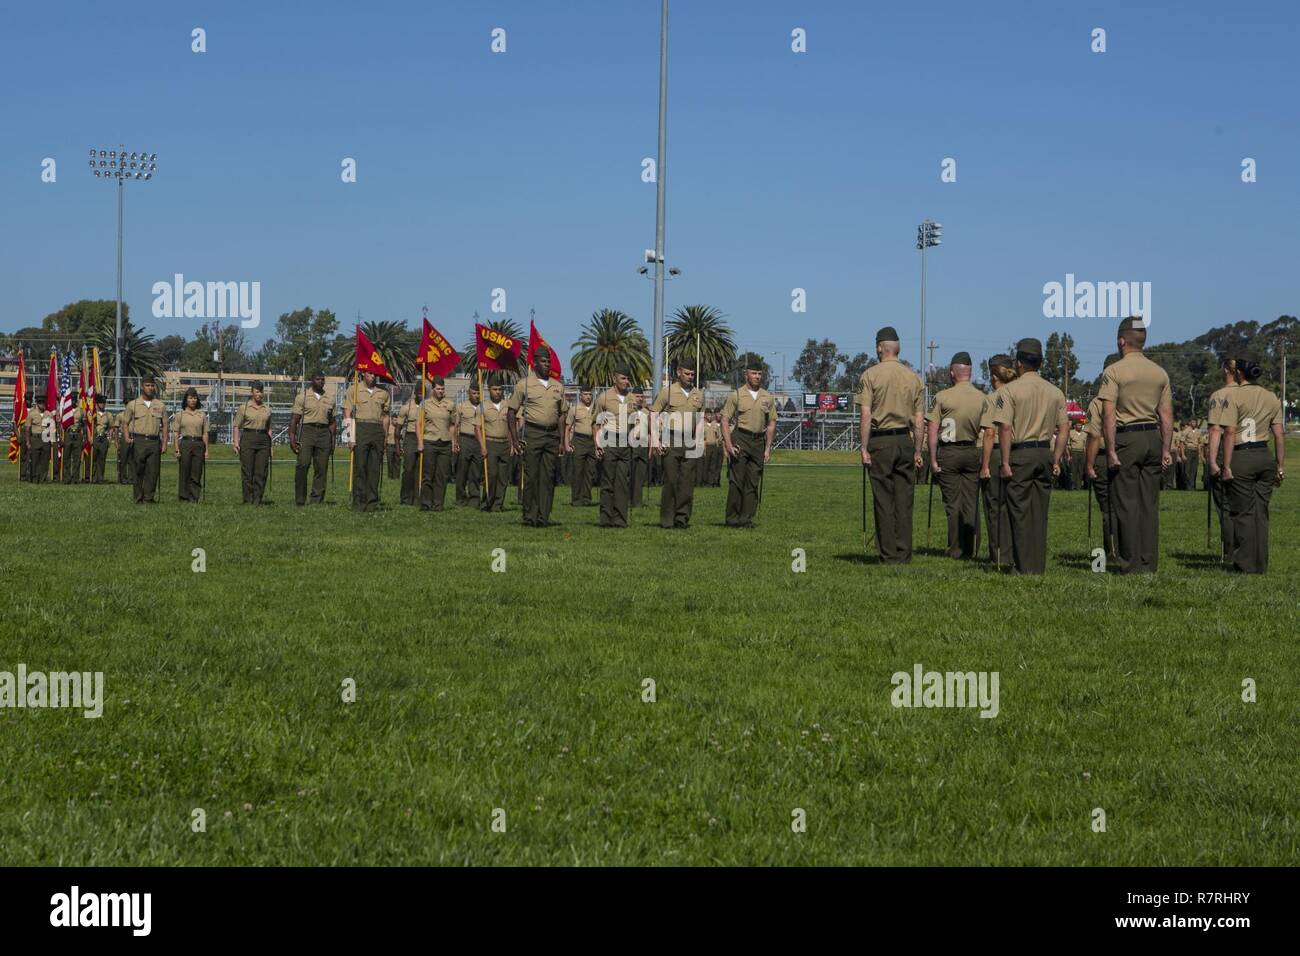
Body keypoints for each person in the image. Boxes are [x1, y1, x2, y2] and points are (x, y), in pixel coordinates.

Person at [1098, 317, 1174, 575]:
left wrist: (1110, 450)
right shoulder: (1159, 372)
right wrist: (1166, 449)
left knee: (1126, 503)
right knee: (1148, 505)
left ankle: (1130, 564)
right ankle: (1148, 563)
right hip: (1152, 437)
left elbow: (1108, 414)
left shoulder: (1114, 372)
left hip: (1127, 438)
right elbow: (1166, 415)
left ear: (1121, 340)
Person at [992, 337, 1069, 575]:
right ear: (1041, 362)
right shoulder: (1055, 392)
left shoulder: (1010, 391)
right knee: (1039, 512)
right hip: (1044, 452)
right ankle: (1037, 565)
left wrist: (1004, 462)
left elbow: (1004, 428)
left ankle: (1021, 566)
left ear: (1018, 363)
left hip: (1021, 453)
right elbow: (1064, 428)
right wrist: (1055, 459)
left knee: (1018, 511)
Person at [858, 327, 924, 563]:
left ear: (879, 347)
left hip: (881, 441)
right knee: (904, 499)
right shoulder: (914, 377)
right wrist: (917, 450)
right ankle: (904, 552)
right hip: (905, 441)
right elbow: (918, 419)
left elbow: (866, 415)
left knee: (884, 499)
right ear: (898, 348)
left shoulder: (870, 376)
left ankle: (888, 554)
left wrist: (864, 448)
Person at [1220, 359, 1284, 573]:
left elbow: (1229, 432)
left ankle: (1246, 564)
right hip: (1264, 454)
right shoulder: (1271, 397)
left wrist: (1226, 465)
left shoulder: (1234, 395)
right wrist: (1280, 465)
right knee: (1261, 512)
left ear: (1239, 373)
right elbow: (1279, 434)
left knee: (1244, 512)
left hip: (1242, 454)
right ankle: (1261, 562)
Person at [925, 352, 984, 558]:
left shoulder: (942, 397)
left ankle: (955, 548)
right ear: (970, 372)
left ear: (952, 373)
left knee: (953, 504)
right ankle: (971, 547)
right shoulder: (982, 398)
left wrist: (932, 459)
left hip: (948, 452)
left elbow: (932, 430)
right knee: (971, 502)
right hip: (971, 450)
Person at [508, 350, 569, 527]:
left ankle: (544, 515)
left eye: (548, 361)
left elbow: (562, 415)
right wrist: (514, 439)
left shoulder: (558, 386)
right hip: (533, 434)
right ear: (535, 363)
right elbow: (511, 412)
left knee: (548, 477)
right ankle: (530, 515)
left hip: (552, 436)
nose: (547, 364)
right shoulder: (524, 385)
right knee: (532, 476)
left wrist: (561, 440)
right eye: (543, 361)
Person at [721, 360, 778, 528]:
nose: (757, 377)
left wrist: (767, 448)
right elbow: (724, 420)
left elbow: (772, 423)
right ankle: (732, 518)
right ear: (746, 374)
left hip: (758, 441)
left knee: (753, 481)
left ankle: (746, 519)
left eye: (760, 374)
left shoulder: (767, 397)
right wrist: (728, 444)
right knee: (737, 480)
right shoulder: (736, 395)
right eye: (753, 373)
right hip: (741, 437)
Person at [651, 360, 705, 529]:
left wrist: (699, 440)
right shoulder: (667, 392)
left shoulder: (698, 394)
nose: (690, 377)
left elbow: (700, 419)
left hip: (690, 440)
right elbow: (653, 415)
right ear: (679, 372)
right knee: (671, 481)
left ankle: (682, 518)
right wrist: (655, 441)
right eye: (687, 373)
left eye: (692, 374)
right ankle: (667, 520)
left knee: (687, 483)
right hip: (671, 440)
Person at [979, 355, 1018, 567]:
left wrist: (985, 465)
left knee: (994, 506)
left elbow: (989, 433)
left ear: (993, 376)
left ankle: (999, 555)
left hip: (996, 454)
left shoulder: (994, 398)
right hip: (1018, 452)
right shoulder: (1020, 393)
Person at [1084, 354, 1121, 560]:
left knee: (1108, 509)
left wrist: (1089, 466)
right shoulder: (1131, 398)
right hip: (1127, 454)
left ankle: (1113, 549)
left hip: (1103, 457)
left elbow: (1095, 435)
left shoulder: (1098, 403)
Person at [1205, 360, 1241, 559]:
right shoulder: (1251, 393)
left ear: (1227, 370)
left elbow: (1215, 429)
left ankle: (1229, 550)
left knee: (1225, 505)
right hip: (1245, 451)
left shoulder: (1218, 396)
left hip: (1222, 452)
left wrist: (1211, 462)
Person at [593, 366, 635, 528]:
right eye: (623, 378)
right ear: (614, 378)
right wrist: (597, 444)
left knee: (623, 482)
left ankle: (620, 519)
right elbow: (595, 423)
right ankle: (606, 519)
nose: (626, 381)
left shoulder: (632, 398)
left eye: (627, 378)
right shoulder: (604, 398)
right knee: (608, 482)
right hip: (609, 440)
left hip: (625, 442)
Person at [344, 371, 391, 513]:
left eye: (375, 373)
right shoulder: (354, 389)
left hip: (377, 429)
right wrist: (350, 436)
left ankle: (372, 502)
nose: (373, 376)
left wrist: (385, 436)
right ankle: (359, 501)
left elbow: (385, 416)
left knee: (374, 468)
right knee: (360, 467)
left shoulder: (383, 392)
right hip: (361, 428)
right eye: (370, 373)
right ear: (364, 373)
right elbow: (347, 413)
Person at [290, 372, 335, 506]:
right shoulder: (302, 397)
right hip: (307, 431)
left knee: (321, 467)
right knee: (303, 464)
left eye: (323, 379)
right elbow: (294, 420)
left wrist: (333, 440)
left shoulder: (330, 398)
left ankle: (317, 499)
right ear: (312, 381)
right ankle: (300, 499)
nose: (320, 381)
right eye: (317, 379)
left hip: (324, 432)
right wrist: (292, 438)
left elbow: (332, 421)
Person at [122, 376, 169, 504]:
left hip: (154, 441)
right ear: (142, 386)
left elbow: (165, 426)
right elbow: (125, 423)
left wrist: (164, 443)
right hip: (139, 441)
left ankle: (149, 498)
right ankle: (138, 497)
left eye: (152, 385)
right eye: (148, 385)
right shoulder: (133, 404)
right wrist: (127, 438)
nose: (150, 388)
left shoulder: (160, 405)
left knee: (152, 472)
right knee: (138, 471)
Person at [419, 376, 457, 512]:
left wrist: (453, 442)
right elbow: (419, 424)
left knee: (442, 475)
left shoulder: (450, 404)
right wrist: (420, 442)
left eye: (442, 389)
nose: (441, 391)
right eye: (438, 389)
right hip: (430, 441)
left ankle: (438, 504)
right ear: (433, 389)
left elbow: (452, 425)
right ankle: (426, 502)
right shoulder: (425, 404)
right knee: (428, 474)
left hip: (445, 443)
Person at [232, 381, 273, 505]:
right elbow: (236, 426)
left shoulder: (267, 409)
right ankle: (247, 499)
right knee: (247, 471)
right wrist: (235, 442)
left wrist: (271, 446)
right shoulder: (243, 407)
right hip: (248, 438)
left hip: (263, 439)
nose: (260, 394)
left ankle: (257, 500)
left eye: (261, 392)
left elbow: (269, 428)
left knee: (261, 472)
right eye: (257, 391)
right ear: (252, 392)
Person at [171, 387, 209, 502]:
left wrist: (206, 450)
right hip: (186, 443)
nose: (193, 400)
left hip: (198, 444)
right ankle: (184, 496)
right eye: (190, 398)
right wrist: (177, 449)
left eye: (195, 398)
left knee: (196, 472)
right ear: (186, 400)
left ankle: (194, 496)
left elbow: (205, 433)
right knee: (185, 471)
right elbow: (176, 433)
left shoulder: (202, 415)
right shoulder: (180, 415)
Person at [480, 377, 512, 512]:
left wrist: (512, 444)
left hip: (505, 443)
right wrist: (482, 446)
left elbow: (512, 425)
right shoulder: (483, 406)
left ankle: (498, 504)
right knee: (491, 475)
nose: (497, 392)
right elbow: (478, 428)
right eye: (494, 389)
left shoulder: (508, 405)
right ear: (489, 390)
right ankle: (487, 502)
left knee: (503, 477)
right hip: (490, 443)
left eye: (500, 389)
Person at [454, 384, 484, 508]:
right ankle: (461, 497)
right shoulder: (461, 406)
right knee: (462, 470)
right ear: (468, 393)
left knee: (476, 472)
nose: (476, 395)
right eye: (474, 393)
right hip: (465, 439)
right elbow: (456, 426)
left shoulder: (483, 407)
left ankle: (474, 498)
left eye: (478, 393)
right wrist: (455, 441)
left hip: (478, 441)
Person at [568, 385, 597, 506]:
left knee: (589, 472)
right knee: (578, 471)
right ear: (580, 396)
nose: (588, 397)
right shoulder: (574, 409)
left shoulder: (596, 409)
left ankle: (586, 498)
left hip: (592, 441)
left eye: (590, 394)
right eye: (585, 394)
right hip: (579, 440)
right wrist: (567, 443)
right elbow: (567, 427)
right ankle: (576, 499)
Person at [393, 387, 423, 506]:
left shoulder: (427, 407)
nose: (421, 395)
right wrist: (397, 446)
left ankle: (417, 498)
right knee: (408, 469)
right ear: (415, 393)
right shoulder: (407, 407)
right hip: (410, 438)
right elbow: (398, 428)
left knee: (419, 470)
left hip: (423, 437)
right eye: (419, 393)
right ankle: (405, 497)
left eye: (423, 393)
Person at [629, 389, 651, 506]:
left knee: (640, 474)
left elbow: (650, 432)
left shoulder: (646, 413)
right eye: (637, 396)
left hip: (643, 444)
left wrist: (650, 448)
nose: (640, 398)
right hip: (631, 443)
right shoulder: (628, 410)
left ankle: (637, 501)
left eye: (641, 396)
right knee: (630, 473)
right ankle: (628, 499)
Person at [27, 396, 56, 483]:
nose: (42, 405)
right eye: (40, 403)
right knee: (35, 459)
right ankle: (35, 477)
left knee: (45, 460)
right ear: (37, 403)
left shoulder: (49, 414)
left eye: (43, 403)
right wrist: (28, 441)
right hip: (35, 438)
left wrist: (52, 440)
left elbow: (52, 428)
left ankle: (43, 478)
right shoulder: (31, 414)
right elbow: (27, 429)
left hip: (45, 438)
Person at [60, 401, 86, 484]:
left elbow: (84, 425)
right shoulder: (66, 410)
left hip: (77, 435)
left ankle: (75, 478)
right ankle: (66, 478)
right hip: (68, 434)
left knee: (77, 459)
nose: (74, 400)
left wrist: (84, 438)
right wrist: (61, 437)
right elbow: (60, 424)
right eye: (73, 398)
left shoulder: (81, 411)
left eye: (75, 398)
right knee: (66, 458)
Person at [90, 395, 112, 484]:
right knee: (94, 459)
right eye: (100, 403)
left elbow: (111, 427)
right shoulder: (93, 414)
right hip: (95, 437)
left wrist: (109, 437)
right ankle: (93, 477)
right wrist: (90, 437)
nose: (103, 405)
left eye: (104, 403)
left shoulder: (108, 415)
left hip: (103, 438)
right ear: (97, 404)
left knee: (102, 459)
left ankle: (100, 478)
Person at [115, 405, 134, 484]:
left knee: (132, 459)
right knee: (123, 459)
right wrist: (116, 441)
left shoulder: (135, 415)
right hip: (124, 437)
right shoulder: (120, 415)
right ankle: (123, 478)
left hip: (134, 436)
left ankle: (131, 478)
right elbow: (116, 428)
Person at [1066, 421, 1087, 491]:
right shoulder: (1071, 432)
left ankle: (1079, 486)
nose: (1080, 426)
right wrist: (1069, 455)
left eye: (1081, 425)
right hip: (1074, 452)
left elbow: (1085, 445)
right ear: (1075, 426)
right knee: (1073, 470)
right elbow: (1068, 444)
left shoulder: (1084, 434)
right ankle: (1073, 485)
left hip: (1082, 452)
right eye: (1078, 425)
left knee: (1080, 470)